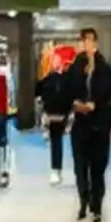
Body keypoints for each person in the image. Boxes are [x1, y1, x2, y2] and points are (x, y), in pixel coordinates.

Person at [63, 28, 111, 222]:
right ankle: (83, 201)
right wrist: (74, 104)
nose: (86, 44)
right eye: (83, 40)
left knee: (97, 169)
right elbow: (65, 93)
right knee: (80, 168)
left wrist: (98, 106)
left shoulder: (106, 69)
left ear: (96, 43)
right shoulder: (74, 68)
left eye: (90, 40)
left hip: (100, 127)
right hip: (80, 126)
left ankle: (97, 207)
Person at [35, 56, 71, 185]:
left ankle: (80, 171)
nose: (54, 64)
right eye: (53, 61)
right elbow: (37, 91)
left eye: (56, 61)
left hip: (66, 115)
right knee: (56, 142)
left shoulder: (68, 79)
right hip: (52, 115)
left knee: (63, 142)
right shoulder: (47, 79)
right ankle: (56, 169)